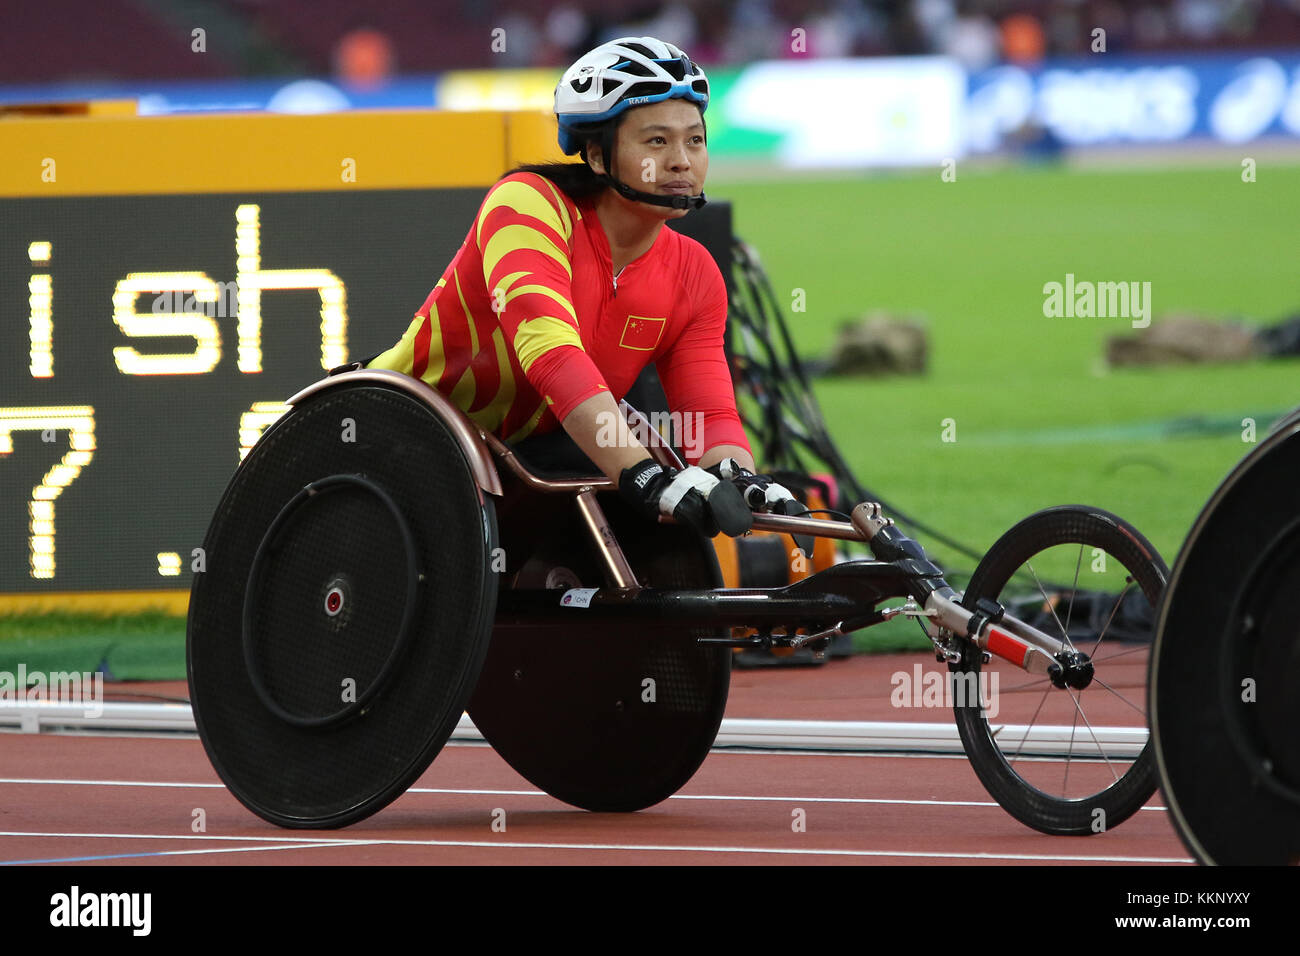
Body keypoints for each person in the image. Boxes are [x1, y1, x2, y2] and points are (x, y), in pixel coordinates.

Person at [368, 36, 796, 536]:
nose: (682, 161)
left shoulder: (695, 271)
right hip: (388, 439)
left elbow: (710, 416)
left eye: (695, 140)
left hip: (518, 461)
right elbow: (551, 354)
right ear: (597, 156)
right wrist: (645, 476)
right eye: (657, 141)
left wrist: (739, 476)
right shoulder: (526, 204)